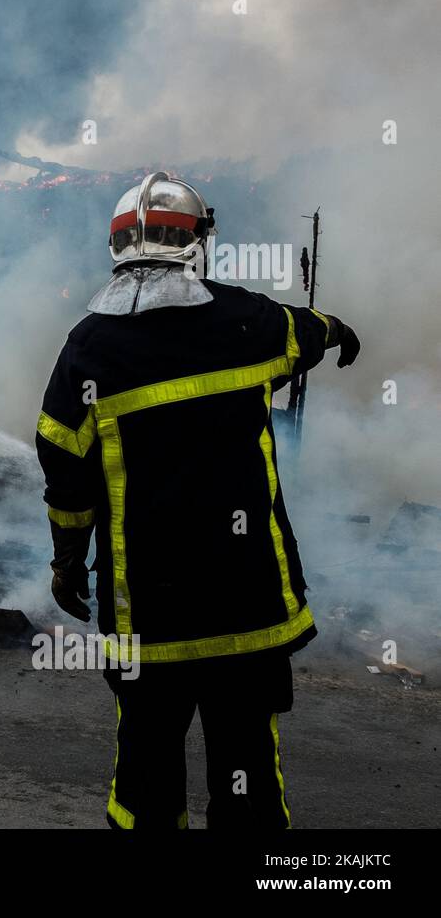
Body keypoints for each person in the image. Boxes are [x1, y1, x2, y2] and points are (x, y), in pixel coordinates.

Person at [35, 172, 361, 828]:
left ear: (117, 245)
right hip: (248, 606)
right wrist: (338, 331)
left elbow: (64, 470)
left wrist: (67, 560)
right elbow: (309, 332)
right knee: (248, 785)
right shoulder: (248, 322)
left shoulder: (88, 348)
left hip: (148, 615)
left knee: (145, 785)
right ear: (196, 243)